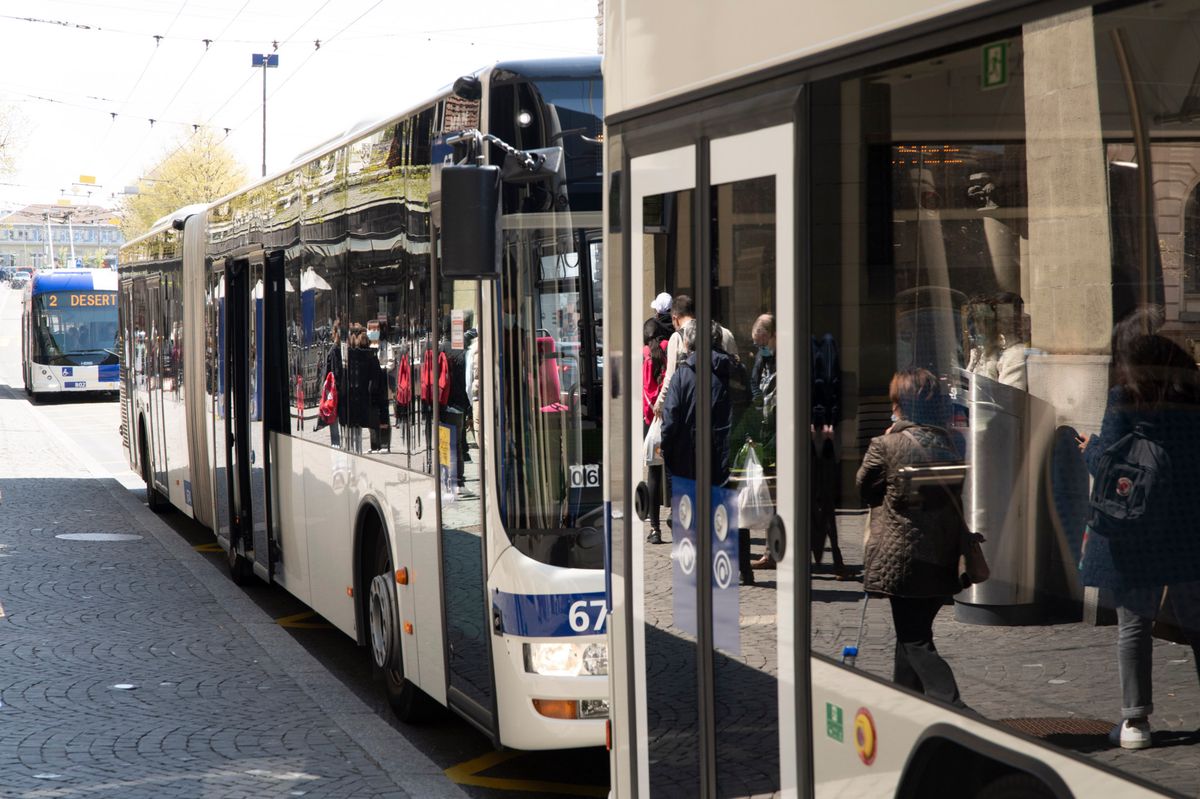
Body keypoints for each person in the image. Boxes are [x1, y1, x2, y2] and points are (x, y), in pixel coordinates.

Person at [1078, 333, 1200, 750]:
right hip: (1186, 524)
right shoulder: (1193, 398)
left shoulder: (1125, 398)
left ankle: (1135, 723)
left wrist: (1089, 448)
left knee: (1134, 625)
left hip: (1136, 527)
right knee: (1197, 622)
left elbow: (1113, 469)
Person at [857, 368, 969, 710]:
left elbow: (864, 487)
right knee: (913, 630)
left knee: (914, 637)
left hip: (902, 559)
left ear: (899, 404)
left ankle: (953, 706)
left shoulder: (886, 444)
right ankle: (902, 703)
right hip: (943, 556)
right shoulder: (951, 441)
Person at [660, 319, 735, 489]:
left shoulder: (682, 375)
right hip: (726, 459)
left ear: (688, 342)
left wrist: (667, 446)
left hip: (688, 459)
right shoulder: (734, 369)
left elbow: (670, 418)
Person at [643, 318, 670, 544]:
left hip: (651, 421)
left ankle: (654, 528)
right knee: (672, 471)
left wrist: (648, 417)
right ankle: (675, 517)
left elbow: (644, 391)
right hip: (670, 419)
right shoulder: (669, 347)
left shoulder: (643, 354)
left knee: (653, 474)